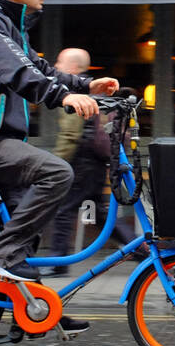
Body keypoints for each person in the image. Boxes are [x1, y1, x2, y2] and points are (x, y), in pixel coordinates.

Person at [0, 0, 119, 334]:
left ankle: (36, 311)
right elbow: (18, 73)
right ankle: (0, 254)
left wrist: (83, 85)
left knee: (26, 226)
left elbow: (40, 68)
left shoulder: (8, 24)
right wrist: (63, 98)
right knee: (58, 173)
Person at [46, 47, 139, 276]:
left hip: (80, 161)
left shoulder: (77, 92)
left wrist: (56, 163)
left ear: (74, 68)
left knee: (64, 208)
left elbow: (70, 135)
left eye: (60, 62)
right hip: (93, 163)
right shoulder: (90, 90)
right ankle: (140, 250)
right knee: (98, 213)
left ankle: (58, 261)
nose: (56, 66)